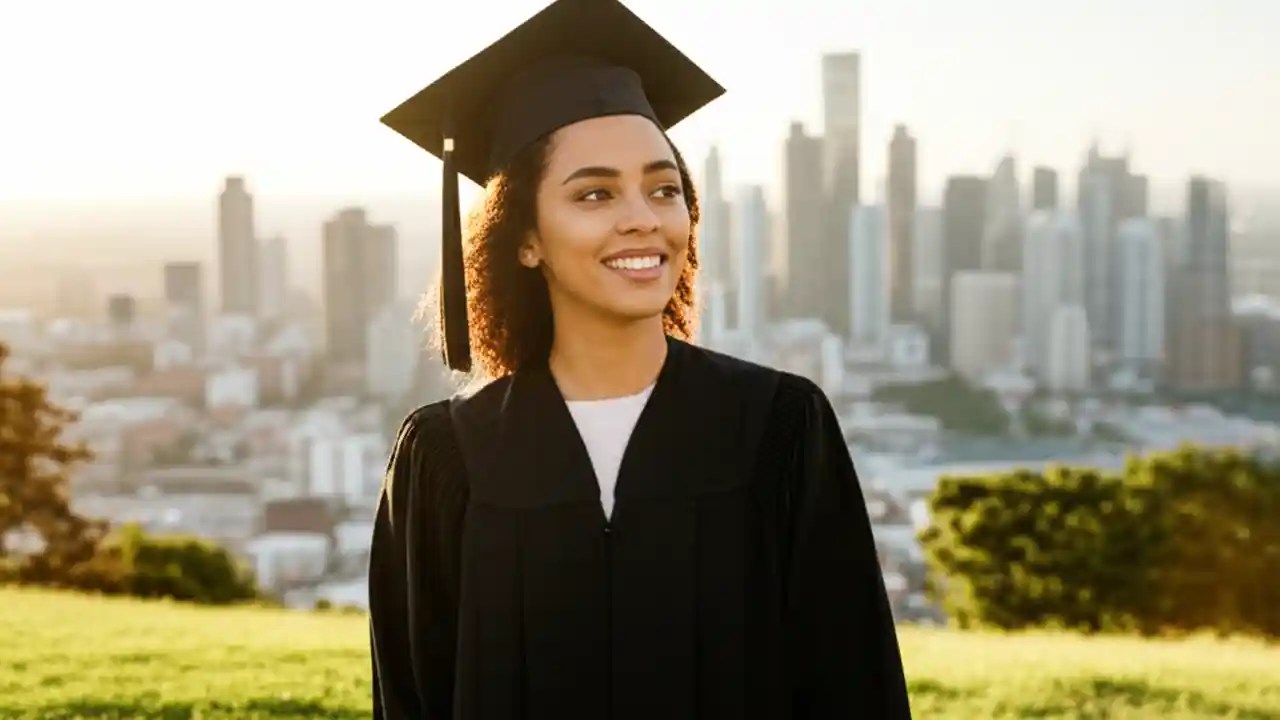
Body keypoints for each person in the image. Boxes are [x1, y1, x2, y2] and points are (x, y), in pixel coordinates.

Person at [367, 0, 912, 717]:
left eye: (664, 189)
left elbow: (854, 686)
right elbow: (412, 700)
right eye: (595, 192)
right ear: (524, 238)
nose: (643, 217)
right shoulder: (447, 459)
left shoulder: (777, 427)